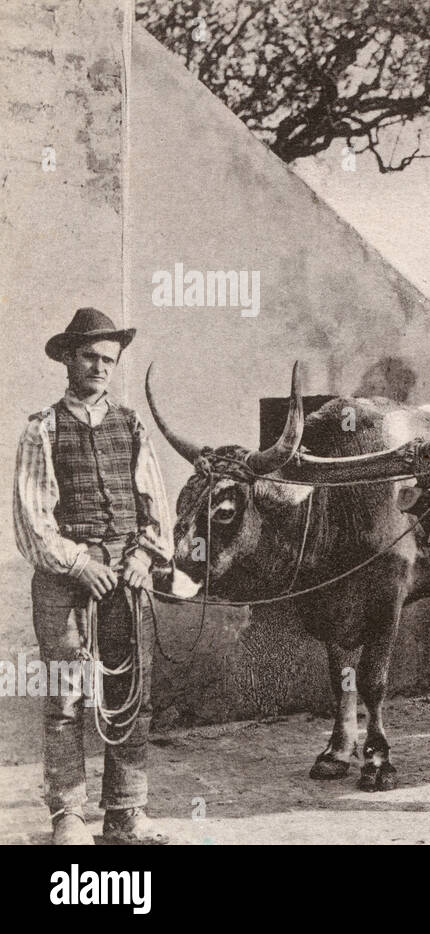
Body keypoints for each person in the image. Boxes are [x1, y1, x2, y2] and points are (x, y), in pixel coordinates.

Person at [13, 307, 174, 845]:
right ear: (67, 359)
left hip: (126, 579)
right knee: (64, 697)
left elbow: (157, 505)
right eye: (90, 356)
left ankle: (126, 812)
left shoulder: (132, 425)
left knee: (132, 692)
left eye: (109, 358)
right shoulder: (42, 429)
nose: (101, 366)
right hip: (64, 580)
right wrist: (81, 564)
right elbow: (31, 519)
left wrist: (144, 557)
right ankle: (68, 817)